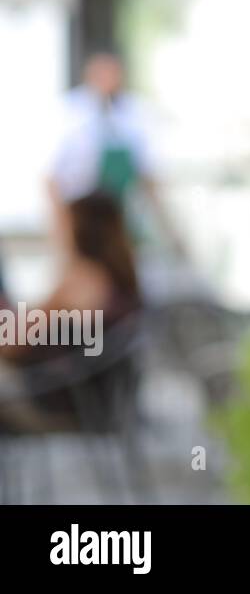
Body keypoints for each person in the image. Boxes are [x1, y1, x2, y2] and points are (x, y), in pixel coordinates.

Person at [0, 192, 143, 431]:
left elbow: (11, 345)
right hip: (103, 404)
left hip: (65, 407)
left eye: (60, 223)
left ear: (78, 230)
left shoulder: (79, 282)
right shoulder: (122, 281)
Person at [46, 49, 187, 270]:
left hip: (122, 224)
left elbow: (148, 178)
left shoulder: (135, 115)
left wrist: (173, 234)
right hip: (82, 221)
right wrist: (65, 242)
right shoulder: (70, 115)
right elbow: (51, 181)